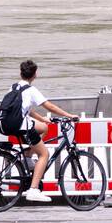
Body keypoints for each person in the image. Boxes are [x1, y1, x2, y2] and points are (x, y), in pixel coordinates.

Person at [10, 60, 78, 200]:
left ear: (20, 73)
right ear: (35, 74)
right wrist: (69, 115)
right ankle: (33, 190)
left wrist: (41, 118)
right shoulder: (31, 90)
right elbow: (50, 106)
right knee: (44, 154)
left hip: (10, 122)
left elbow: (25, 109)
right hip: (22, 124)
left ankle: (28, 158)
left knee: (44, 127)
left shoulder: (14, 87)